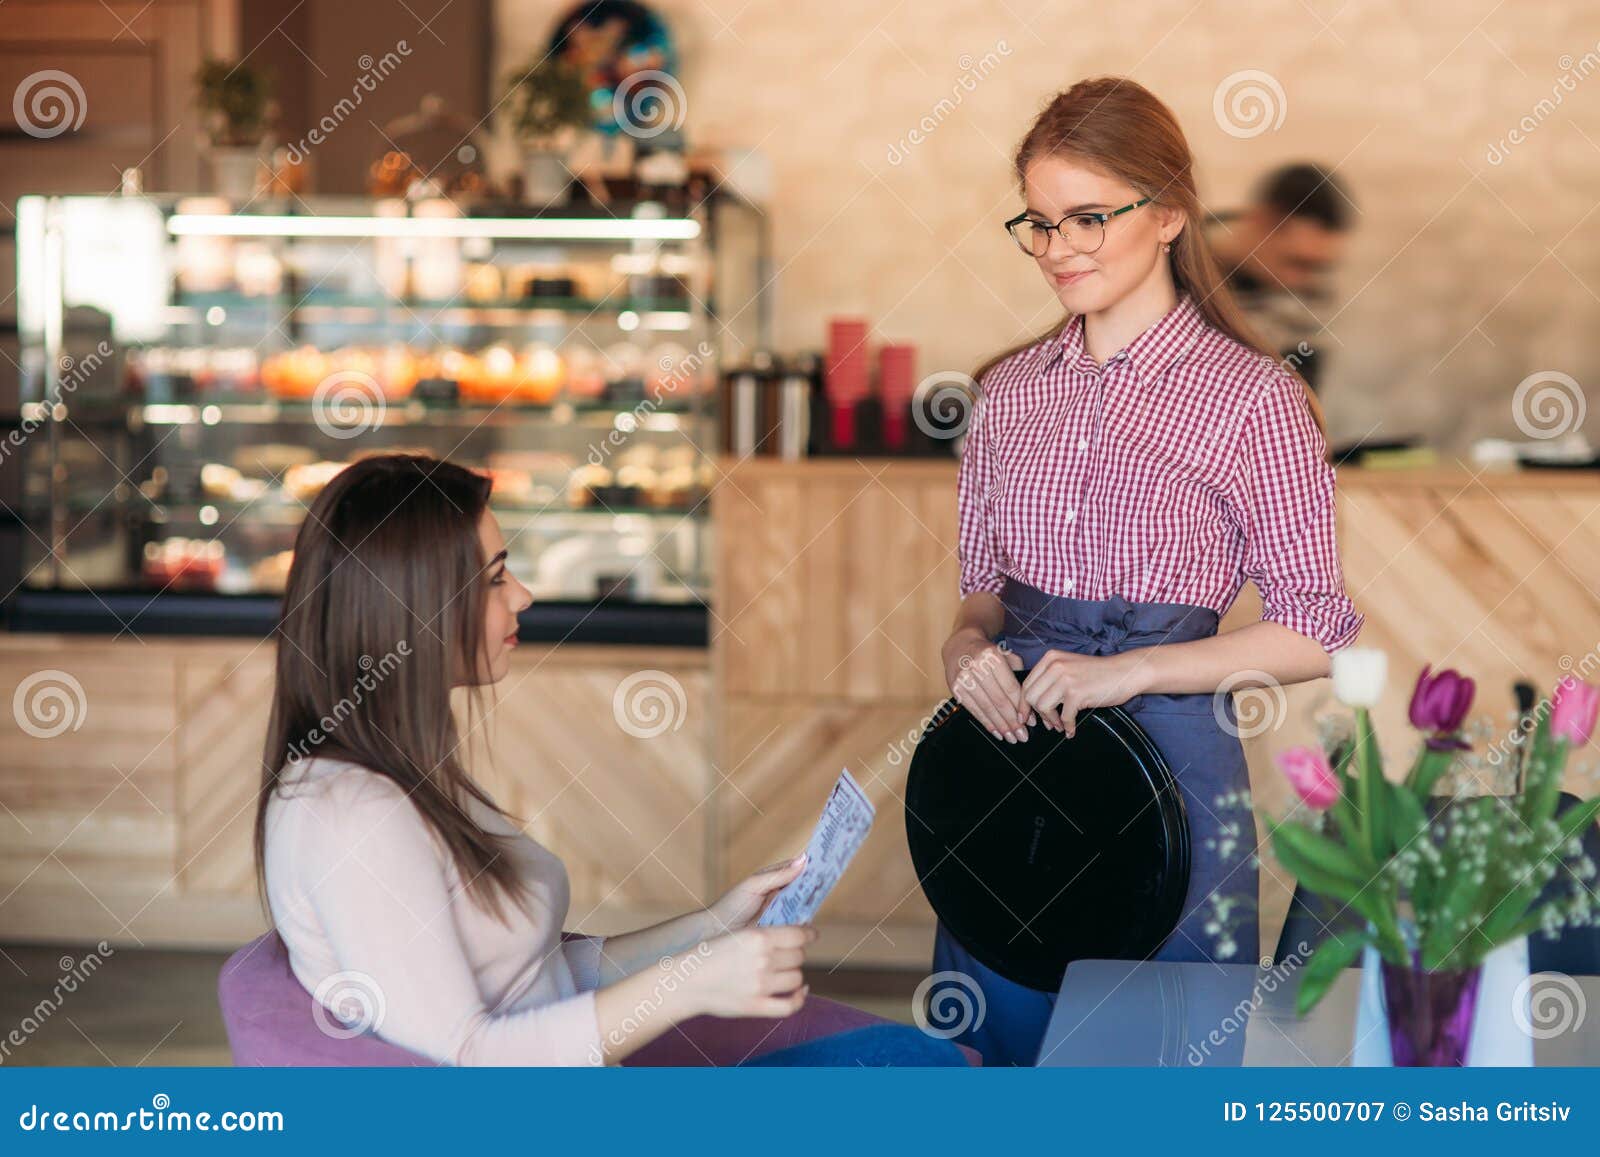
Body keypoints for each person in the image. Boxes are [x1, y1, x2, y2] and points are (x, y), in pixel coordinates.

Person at [254, 453, 963, 1067]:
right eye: (497, 578)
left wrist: (714, 923)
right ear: (416, 610)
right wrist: (690, 984)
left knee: (913, 1060)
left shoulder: (399, 772)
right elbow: (470, 1060)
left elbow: (541, 975)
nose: (523, 595)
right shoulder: (351, 817)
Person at [937, 78, 1363, 1066]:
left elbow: (1316, 626)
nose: (1058, 249)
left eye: (1088, 217)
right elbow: (982, 585)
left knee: (1162, 1082)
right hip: (1009, 765)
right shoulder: (1003, 393)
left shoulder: (1255, 399)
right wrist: (964, 642)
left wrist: (1126, 671)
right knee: (996, 1063)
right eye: (1038, 224)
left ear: (1169, 212)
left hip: (1173, 770)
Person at [1206, 162, 1355, 391]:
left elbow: (1299, 397)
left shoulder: (1312, 291)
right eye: (1298, 262)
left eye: (1320, 267)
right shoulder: (1173, 262)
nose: (1304, 281)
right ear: (1261, 221)